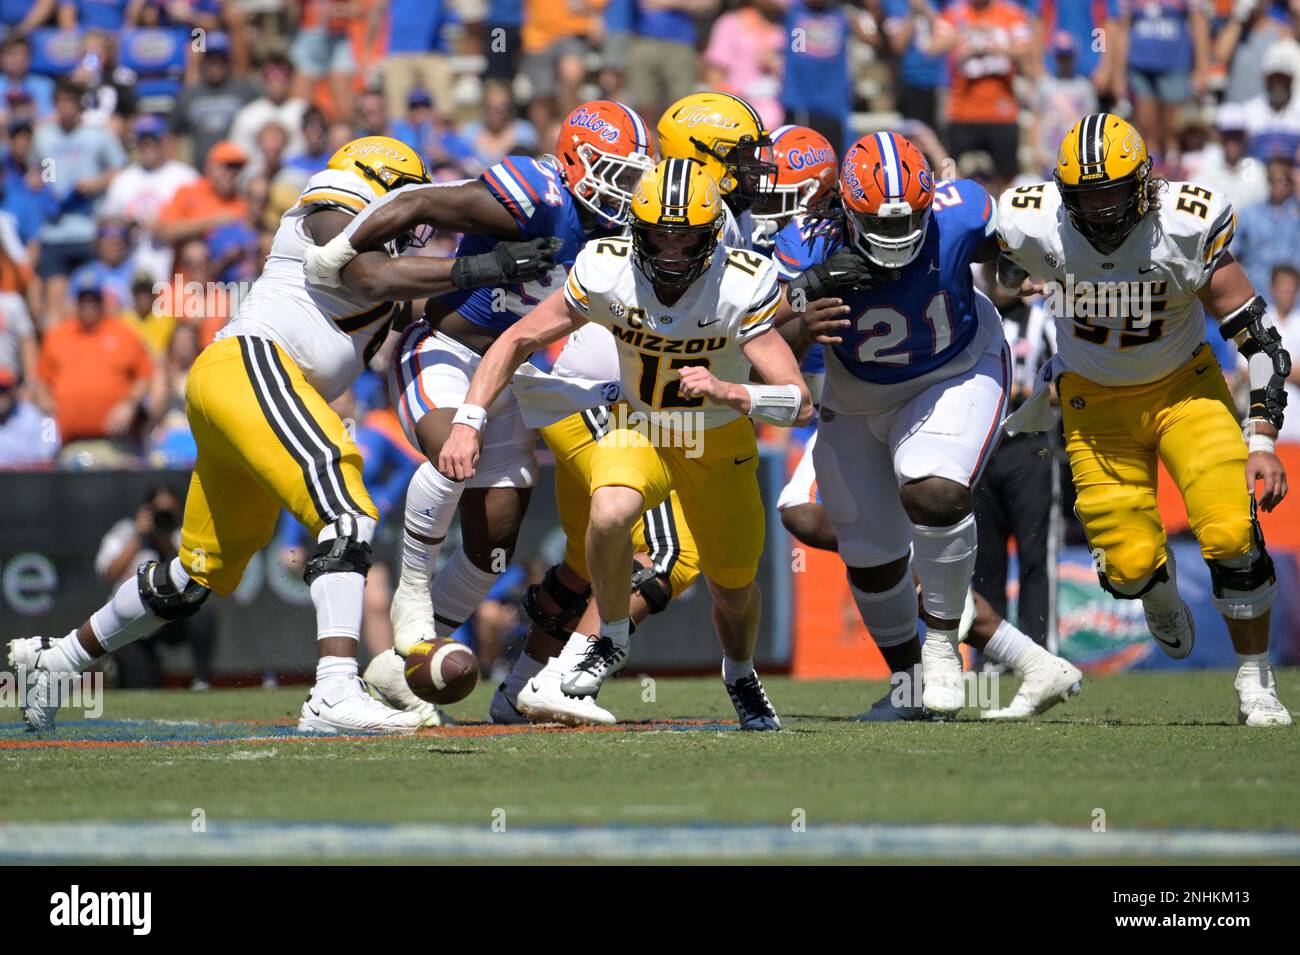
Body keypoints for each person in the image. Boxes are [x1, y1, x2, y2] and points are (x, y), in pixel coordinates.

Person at [7, 136, 559, 735]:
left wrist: (514, 287)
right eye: (406, 198)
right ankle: (333, 692)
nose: (414, 220)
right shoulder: (332, 200)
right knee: (346, 509)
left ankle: (56, 660)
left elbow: (420, 303)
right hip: (253, 364)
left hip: (244, 391)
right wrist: (480, 266)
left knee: (194, 576)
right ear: (377, 182)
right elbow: (371, 274)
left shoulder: (383, 255)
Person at [302, 103, 654, 725]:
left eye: (632, 178)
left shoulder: (613, 235)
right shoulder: (538, 196)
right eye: (614, 175)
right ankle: (411, 603)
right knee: (451, 452)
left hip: (507, 371)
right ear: (575, 162)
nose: (624, 193)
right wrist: (339, 253)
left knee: (495, 540)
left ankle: (407, 655)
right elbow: (421, 203)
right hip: (441, 348)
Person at [440, 158, 812, 730]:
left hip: (714, 440)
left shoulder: (740, 283)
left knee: (733, 587)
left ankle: (739, 670)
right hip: (641, 426)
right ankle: (609, 635)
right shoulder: (606, 268)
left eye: (683, 236)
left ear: (711, 235)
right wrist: (468, 418)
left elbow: (798, 401)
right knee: (610, 513)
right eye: (657, 234)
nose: (667, 249)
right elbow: (518, 338)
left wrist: (731, 390)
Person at [997, 112, 1291, 726]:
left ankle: (1255, 680)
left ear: (1144, 184)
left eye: (1112, 191)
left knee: (1232, 535)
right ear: (1062, 193)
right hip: (1094, 404)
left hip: (1187, 392)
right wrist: (1022, 277)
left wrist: (1262, 435)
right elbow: (992, 260)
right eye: (1086, 195)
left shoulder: (1184, 224)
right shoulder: (1031, 221)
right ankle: (1156, 593)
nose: (1101, 209)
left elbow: (1260, 340)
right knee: (1128, 567)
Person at [774, 132, 1011, 719]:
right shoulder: (807, 247)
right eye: (878, 227)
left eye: (909, 222)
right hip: (858, 395)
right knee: (871, 553)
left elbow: (1008, 256)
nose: (896, 240)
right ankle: (910, 690)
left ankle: (941, 646)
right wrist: (802, 323)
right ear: (846, 213)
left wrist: (1021, 268)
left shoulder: (960, 215)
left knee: (933, 487)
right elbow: (762, 342)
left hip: (954, 368)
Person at [94, 485, 217, 689]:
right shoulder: (126, 531)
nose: (163, 516)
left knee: (204, 616)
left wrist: (165, 540)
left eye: (168, 512)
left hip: (169, 616)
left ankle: (201, 681)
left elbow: (193, 577)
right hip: (131, 622)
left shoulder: (181, 536)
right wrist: (139, 537)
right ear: (145, 510)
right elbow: (109, 572)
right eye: (158, 511)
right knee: (144, 685)